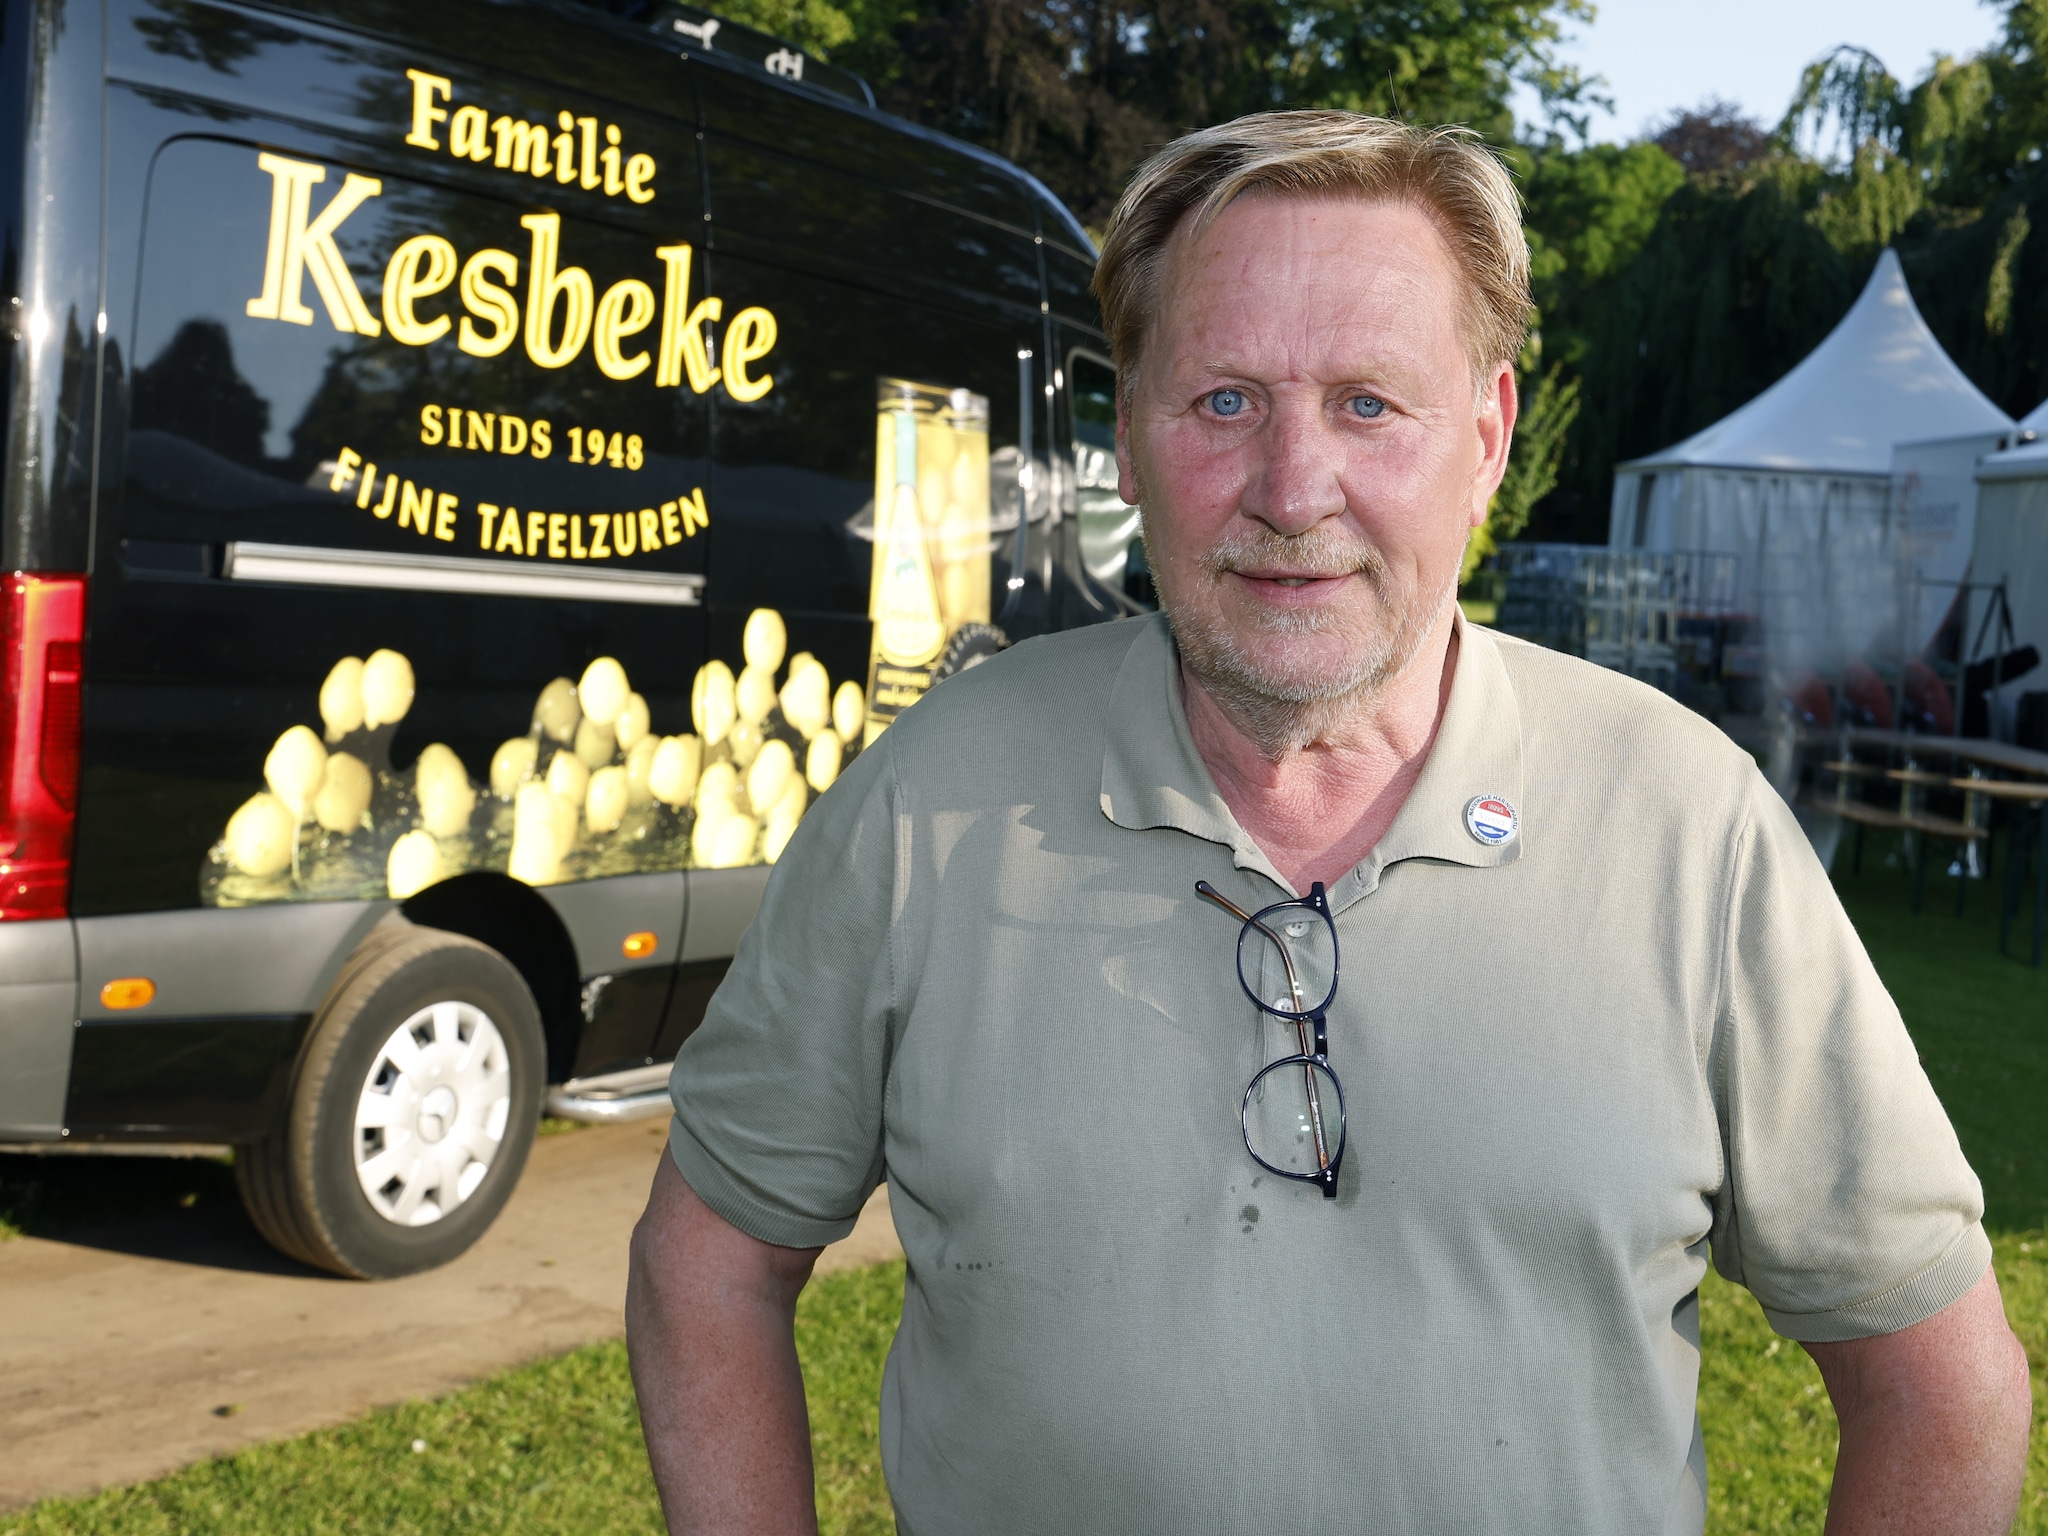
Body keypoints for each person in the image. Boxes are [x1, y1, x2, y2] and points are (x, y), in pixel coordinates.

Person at [626, 111, 2030, 1534]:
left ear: (1484, 439)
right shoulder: (927, 802)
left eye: (1370, 403)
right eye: (1224, 401)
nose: (1295, 493)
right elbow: (709, 1263)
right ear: (1126, 437)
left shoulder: (1688, 827)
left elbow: (1939, 1383)